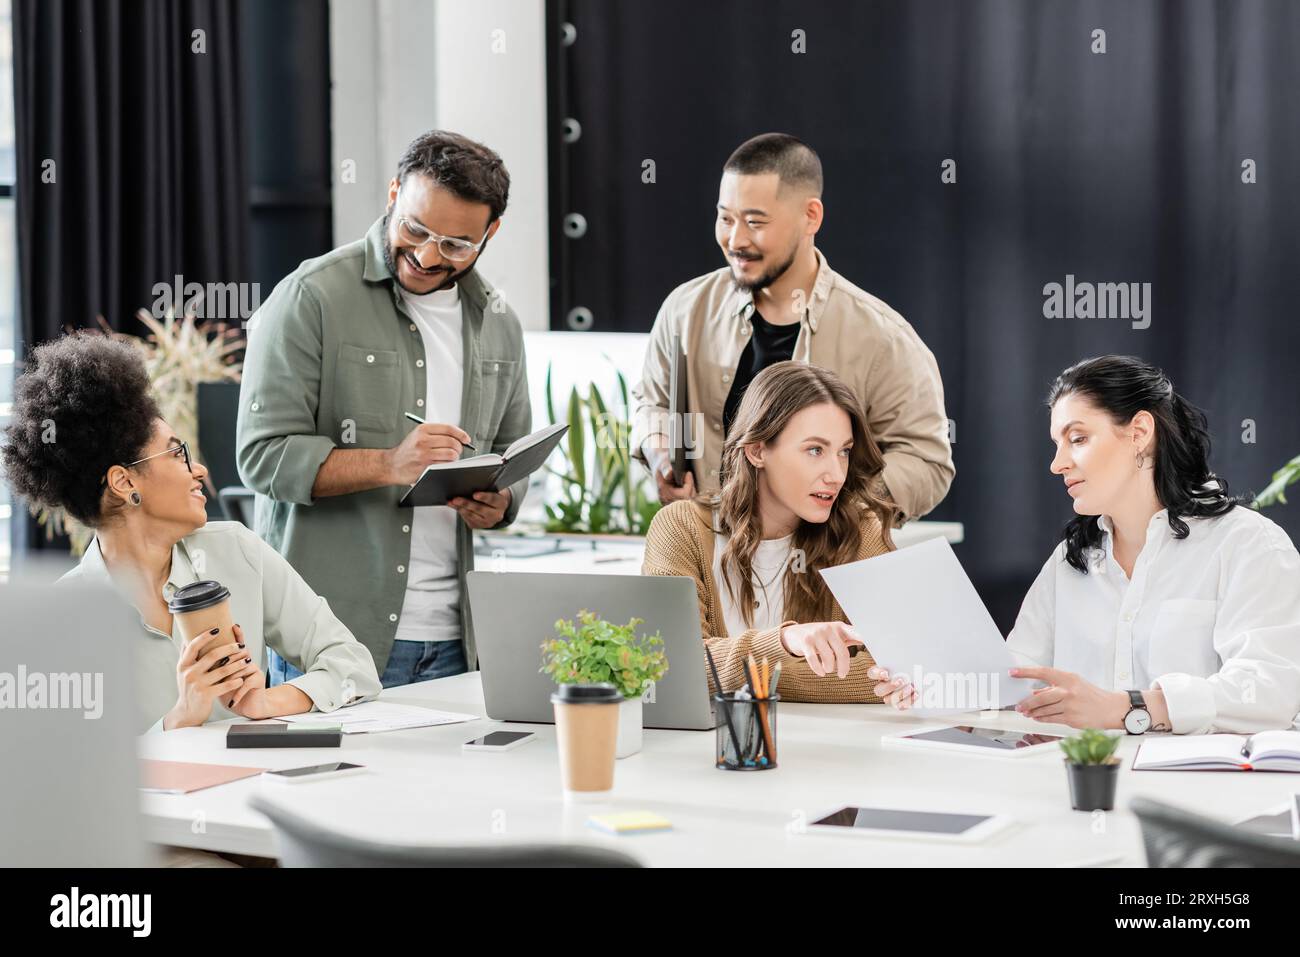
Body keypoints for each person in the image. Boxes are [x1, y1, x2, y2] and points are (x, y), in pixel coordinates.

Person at [236, 131, 531, 687]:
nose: (425, 255)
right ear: (394, 192)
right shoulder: (311, 297)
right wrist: (389, 465)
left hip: (458, 640)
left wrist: (502, 499)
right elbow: (261, 456)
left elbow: (514, 455)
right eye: (415, 228)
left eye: (455, 245)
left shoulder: (499, 321)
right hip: (329, 637)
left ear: (489, 233)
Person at [1, 333, 381, 733]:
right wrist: (179, 718)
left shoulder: (237, 550)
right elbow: (74, 766)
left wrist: (266, 701)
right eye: (177, 453)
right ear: (123, 482)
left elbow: (352, 665)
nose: (199, 469)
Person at [632, 132, 953, 523]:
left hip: (822, 571)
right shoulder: (684, 309)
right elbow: (652, 404)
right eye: (725, 218)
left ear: (810, 216)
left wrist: (838, 507)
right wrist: (660, 452)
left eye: (755, 222)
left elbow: (926, 462)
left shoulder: (882, 336)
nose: (735, 239)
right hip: (707, 556)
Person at [993, 356, 1300, 734]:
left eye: (1077, 439)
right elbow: (1012, 683)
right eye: (1057, 445)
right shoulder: (1071, 560)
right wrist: (923, 688)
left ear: (1139, 432)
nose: (1057, 464)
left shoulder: (1249, 544)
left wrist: (1126, 709)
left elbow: (1270, 693)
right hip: (1080, 786)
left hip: (1205, 790)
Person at [642, 361, 915, 706]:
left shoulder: (860, 531)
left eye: (843, 452)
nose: (836, 474)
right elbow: (670, 665)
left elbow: (899, 664)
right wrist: (786, 643)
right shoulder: (681, 527)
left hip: (834, 753)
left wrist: (747, 671)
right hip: (707, 755)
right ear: (757, 451)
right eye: (815, 450)